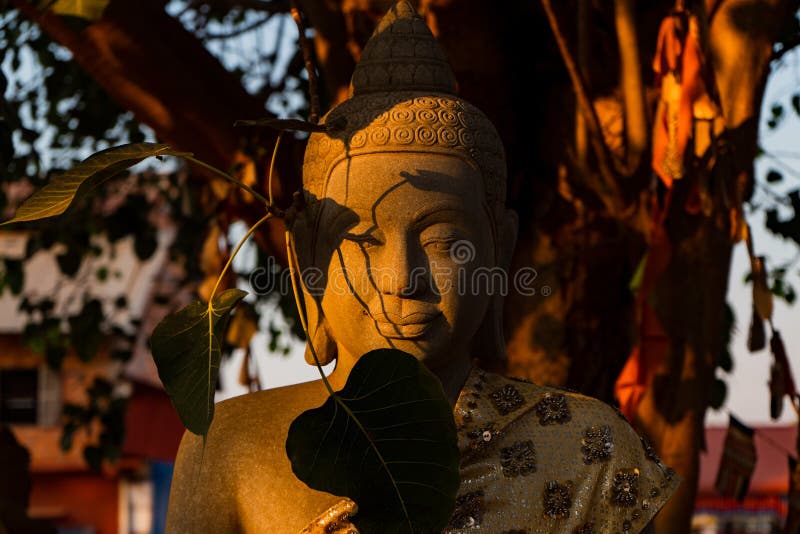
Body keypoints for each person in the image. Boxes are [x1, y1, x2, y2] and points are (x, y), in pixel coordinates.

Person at [166, 2, 678, 532]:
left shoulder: (586, 446)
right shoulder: (228, 448)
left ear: (499, 252)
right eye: (361, 238)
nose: (402, 279)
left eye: (443, 241)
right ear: (306, 258)